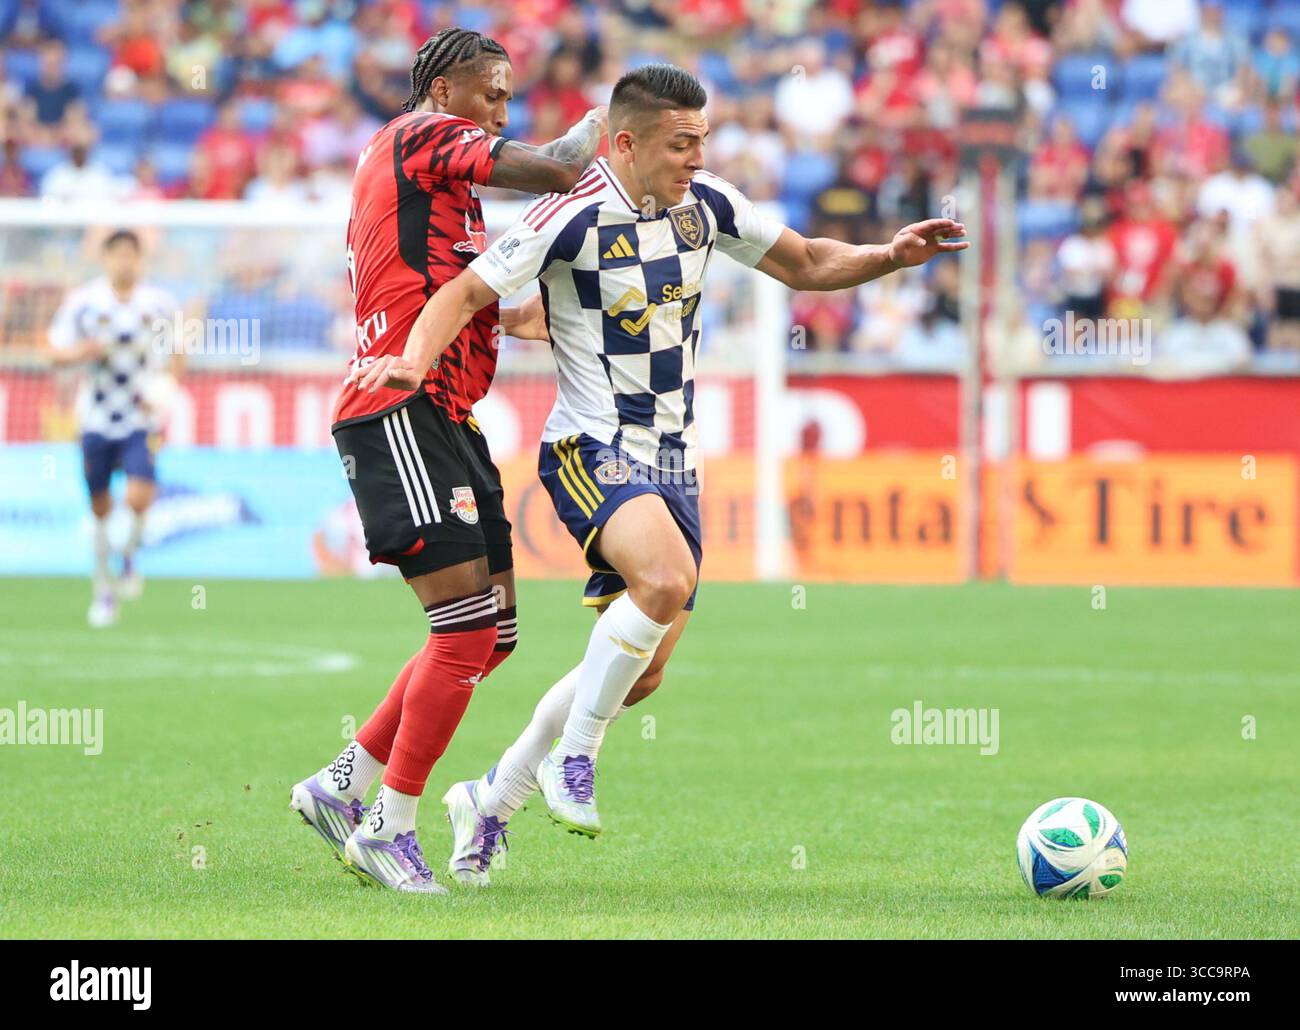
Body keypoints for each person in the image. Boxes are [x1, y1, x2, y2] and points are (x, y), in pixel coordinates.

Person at [352, 64, 967, 884]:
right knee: (665, 580)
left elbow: (811, 261)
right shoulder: (565, 216)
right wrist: (411, 360)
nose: (696, 155)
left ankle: (492, 798)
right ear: (628, 141)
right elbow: (465, 291)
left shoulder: (710, 205)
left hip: (675, 460)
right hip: (590, 445)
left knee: (640, 671)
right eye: (682, 143)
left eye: (703, 139)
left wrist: (889, 256)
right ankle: (577, 756)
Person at [288, 28, 605, 895]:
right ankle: (390, 825)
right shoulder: (416, 135)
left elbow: (460, 290)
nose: (502, 110)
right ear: (443, 87)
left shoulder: (443, 196)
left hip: (445, 415)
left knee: (492, 634)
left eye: (510, 97)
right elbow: (552, 166)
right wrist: (618, 120)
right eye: (493, 92)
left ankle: (341, 786)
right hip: (398, 403)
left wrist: (531, 315)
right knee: (462, 626)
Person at [47, 230, 181, 627]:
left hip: (140, 419)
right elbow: (54, 352)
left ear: (139, 260)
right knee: (101, 509)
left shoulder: (158, 304)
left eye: (130, 255)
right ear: (105, 260)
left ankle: (128, 554)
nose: (124, 262)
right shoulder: (84, 303)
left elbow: (178, 353)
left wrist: (165, 389)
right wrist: (81, 352)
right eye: (117, 255)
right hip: (96, 419)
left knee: (140, 496)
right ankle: (104, 591)